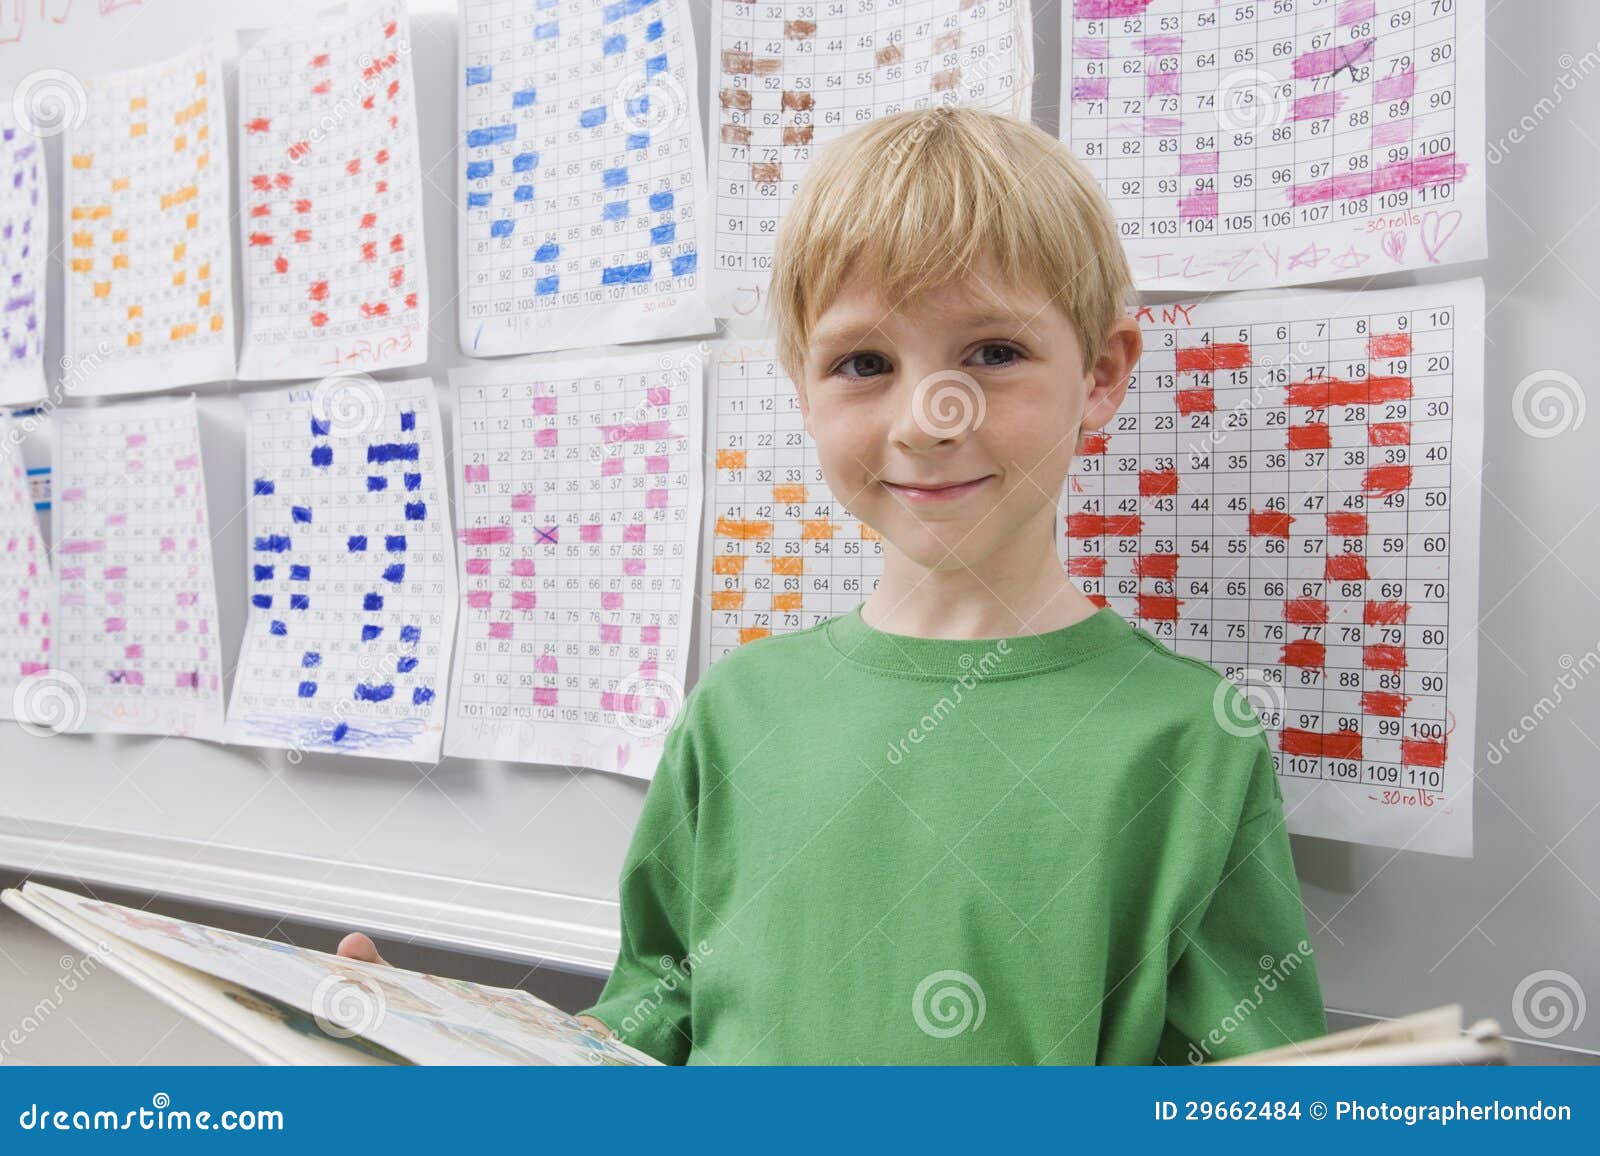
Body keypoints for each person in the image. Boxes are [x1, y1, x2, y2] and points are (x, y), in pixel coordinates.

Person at [341, 105, 1326, 1064]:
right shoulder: (736, 708)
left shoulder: (1191, 739)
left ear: (1101, 374)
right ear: (802, 391)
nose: (927, 420)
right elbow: (657, 1007)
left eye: (993, 353)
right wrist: (452, 1049)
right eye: (864, 362)